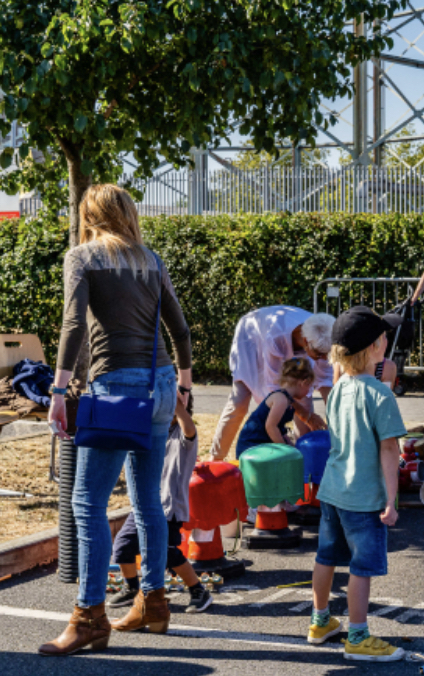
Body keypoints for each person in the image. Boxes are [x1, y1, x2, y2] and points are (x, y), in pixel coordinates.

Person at [41, 184, 193, 656]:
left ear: (89, 216)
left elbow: (73, 325)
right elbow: (180, 329)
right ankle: (154, 603)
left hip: (116, 388)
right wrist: (184, 386)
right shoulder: (151, 260)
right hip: (161, 384)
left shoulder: (83, 258)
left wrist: (59, 391)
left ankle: (89, 617)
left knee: (86, 502)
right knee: (148, 501)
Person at [309, 307, 407, 662]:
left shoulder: (338, 390)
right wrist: (391, 501)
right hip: (364, 498)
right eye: (384, 337)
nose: (387, 340)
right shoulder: (381, 394)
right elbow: (389, 449)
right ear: (375, 347)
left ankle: (320, 622)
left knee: (325, 557)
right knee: (361, 569)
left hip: (332, 490)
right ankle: (358, 636)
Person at [108, 391, 211, 615]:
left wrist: (177, 405)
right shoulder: (153, 432)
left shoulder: (181, 435)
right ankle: (131, 587)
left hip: (168, 507)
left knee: (167, 553)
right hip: (143, 503)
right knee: (122, 546)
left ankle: (198, 590)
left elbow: (189, 430)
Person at [210, 307, 333, 460]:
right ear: (306, 342)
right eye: (320, 354)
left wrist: (334, 421)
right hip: (252, 336)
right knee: (239, 402)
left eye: (327, 354)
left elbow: (327, 384)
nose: (324, 358)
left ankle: (303, 462)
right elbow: (275, 391)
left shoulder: (323, 334)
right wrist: (305, 415)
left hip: (282, 340)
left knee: (303, 399)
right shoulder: (275, 336)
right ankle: (215, 460)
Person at [235, 358, 319, 457]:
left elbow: (280, 430)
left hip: (261, 445)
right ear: (304, 383)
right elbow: (271, 427)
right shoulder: (281, 399)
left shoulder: (287, 400)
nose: (309, 391)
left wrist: (293, 448)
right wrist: (286, 451)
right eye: (310, 387)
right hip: (251, 447)